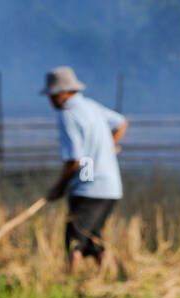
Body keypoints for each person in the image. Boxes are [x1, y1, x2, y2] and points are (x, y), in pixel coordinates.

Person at [41, 66, 128, 276]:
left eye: (52, 95)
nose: (51, 100)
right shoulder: (92, 107)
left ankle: (69, 288)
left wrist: (58, 188)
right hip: (111, 188)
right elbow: (121, 123)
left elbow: (74, 160)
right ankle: (115, 282)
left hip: (89, 187)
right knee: (93, 239)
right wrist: (108, 147)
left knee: (74, 243)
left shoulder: (68, 114)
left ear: (62, 93)